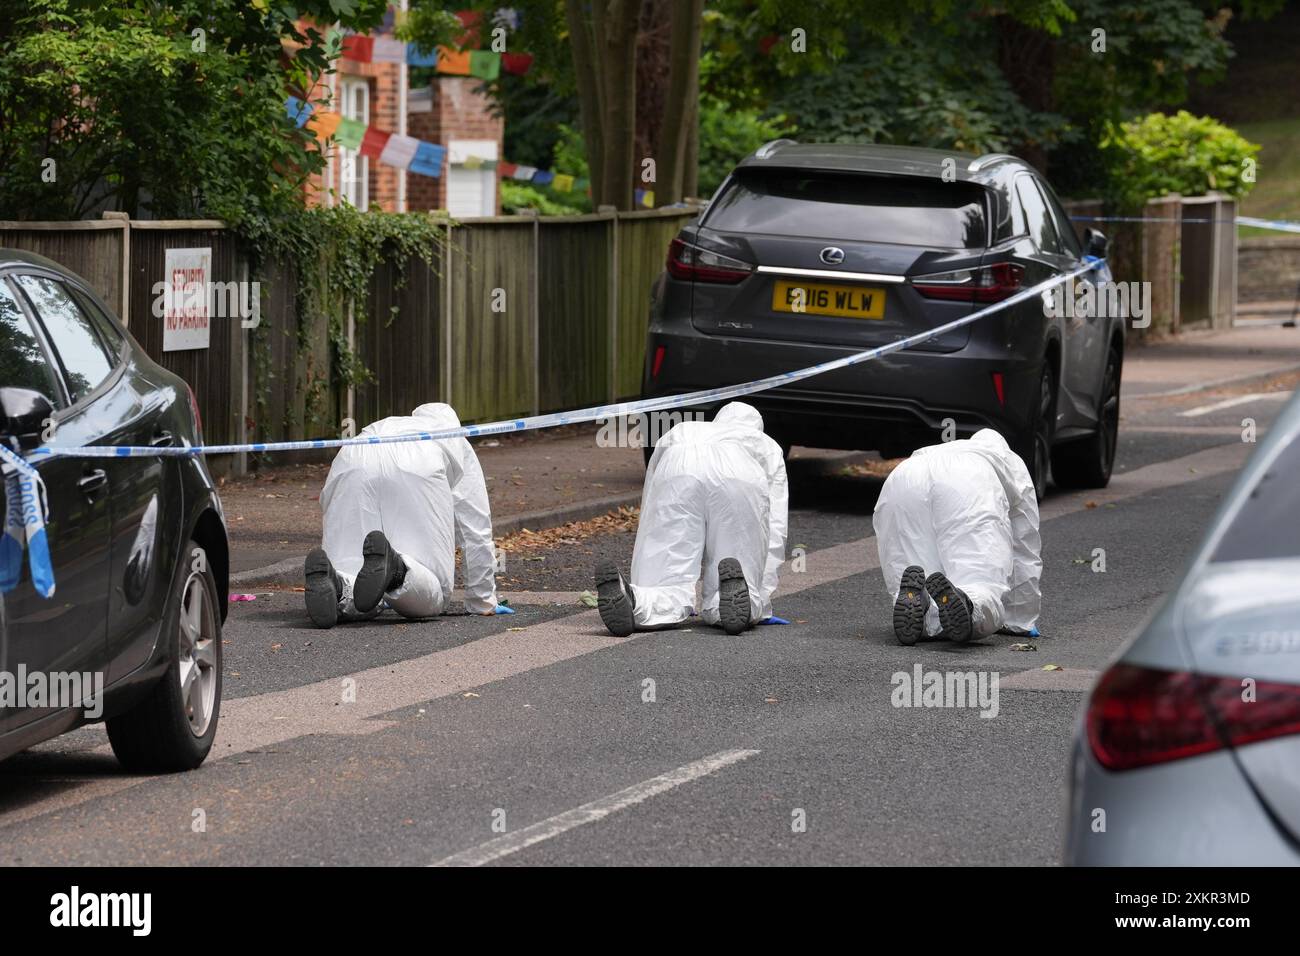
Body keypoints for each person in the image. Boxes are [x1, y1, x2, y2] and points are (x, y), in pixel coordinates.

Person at [595, 401, 788, 637]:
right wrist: (764, 593)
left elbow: (652, 490)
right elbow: (775, 525)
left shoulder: (682, 429)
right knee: (739, 561)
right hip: (740, 473)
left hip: (678, 468)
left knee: (664, 577)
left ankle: (638, 600)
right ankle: (742, 599)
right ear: (757, 427)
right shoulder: (765, 444)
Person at [303, 402, 502, 628]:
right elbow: (475, 531)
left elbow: (328, 498)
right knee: (436, 593)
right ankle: (397, 571)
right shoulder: (455, 440)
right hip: (419, 461)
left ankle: (338, 584)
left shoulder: (388, 425)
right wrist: (482, 602)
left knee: (351, 567)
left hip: (353, 455)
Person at [873, 428, 1041, 645]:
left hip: (902, 476)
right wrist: (1020, 621)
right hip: (967, 478)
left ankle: (923, 608)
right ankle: (971, 606)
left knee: (915, 565)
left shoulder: (945, 449)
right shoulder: (1011, 462)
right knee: (979, 580)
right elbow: (1023, 547)